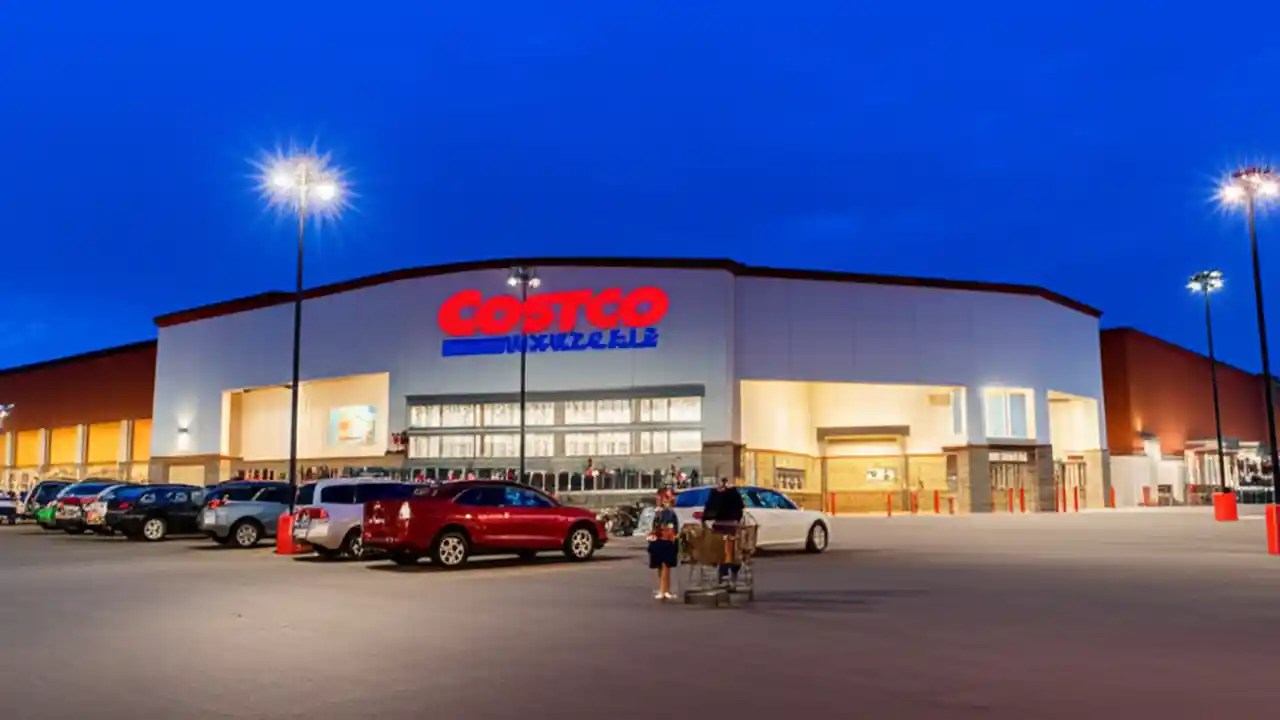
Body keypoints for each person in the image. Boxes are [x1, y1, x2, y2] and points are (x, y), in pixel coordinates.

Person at [702, 477, 745, 588]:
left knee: (722, 549)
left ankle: (724, 573)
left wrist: (705, 520)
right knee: (730, 550)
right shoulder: (734, 494)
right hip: (731, 526)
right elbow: (740, 509)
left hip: (719, 527)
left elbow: (709, 511)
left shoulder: (715, 495)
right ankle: (729, 572)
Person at [647, 489, 680, 601]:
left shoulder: (667, 512)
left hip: (665, 540)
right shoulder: (662, 512)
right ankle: (664, 589)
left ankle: (664, 590)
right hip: (662, 540)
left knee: (664, 566)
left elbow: (668, 527)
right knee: (663, 566)